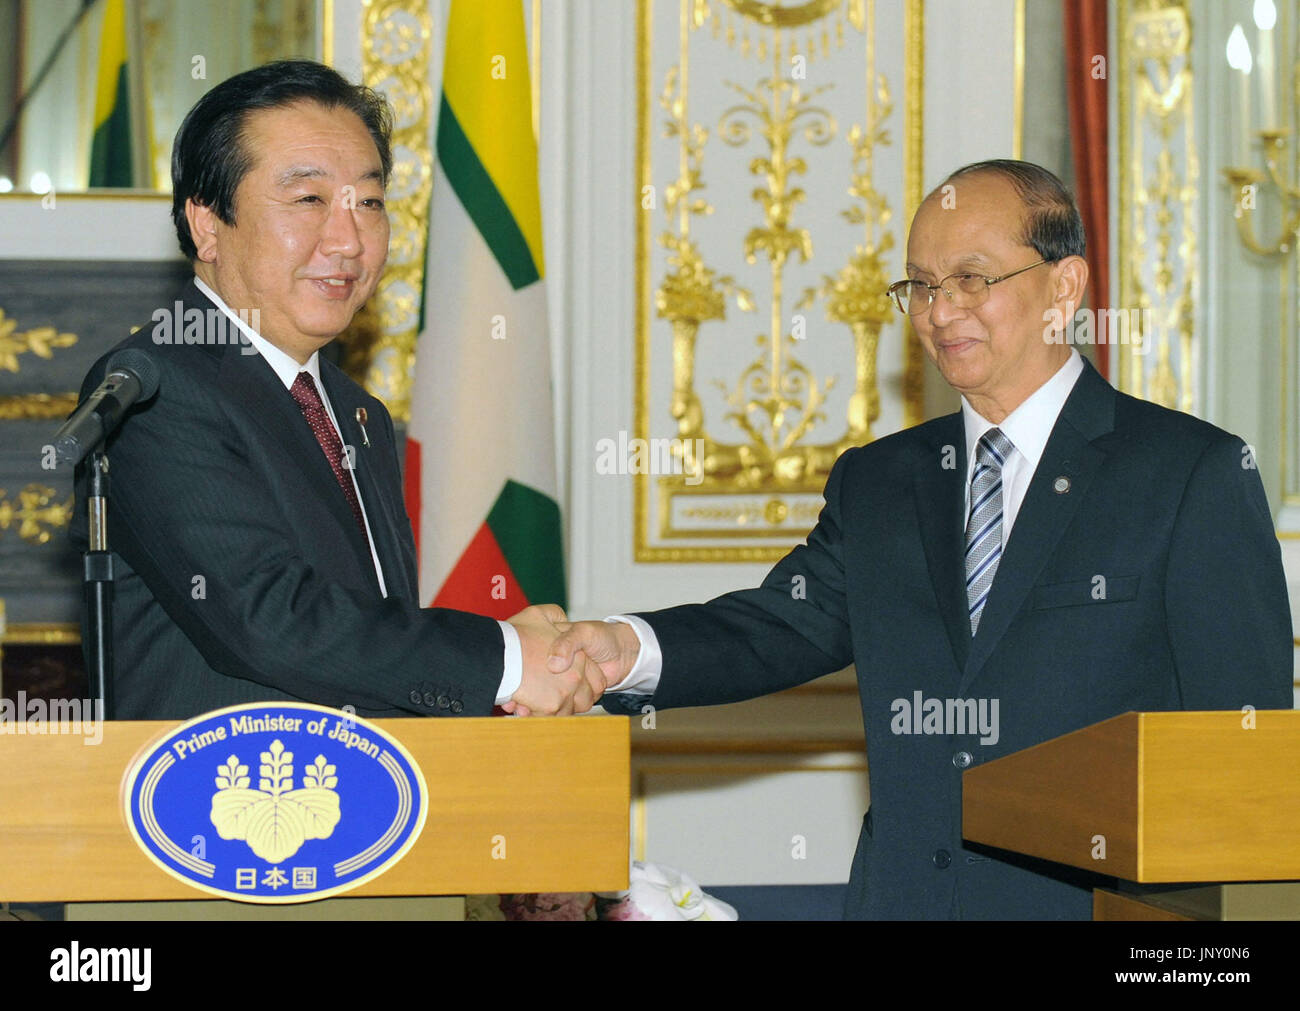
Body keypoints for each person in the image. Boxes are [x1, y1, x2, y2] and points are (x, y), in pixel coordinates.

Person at [542, 160, 1295, 919]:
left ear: (1064, 288)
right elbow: (774, 627)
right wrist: (622, 647)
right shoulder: (880, 482)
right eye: (922, 286)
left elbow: (1245, 752)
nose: (941, 311)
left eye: (972, 279)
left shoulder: (1187, 472)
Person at [71, 60, 594, 720]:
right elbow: (270, 620)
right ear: (207, 224)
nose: (348, 240)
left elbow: (365, 634)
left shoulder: (355, 412)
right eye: (310, 200)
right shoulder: (157, 387)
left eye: (369, 203)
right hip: (219, 805)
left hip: (370, 801)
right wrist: (505, 659)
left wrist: (498, 669)